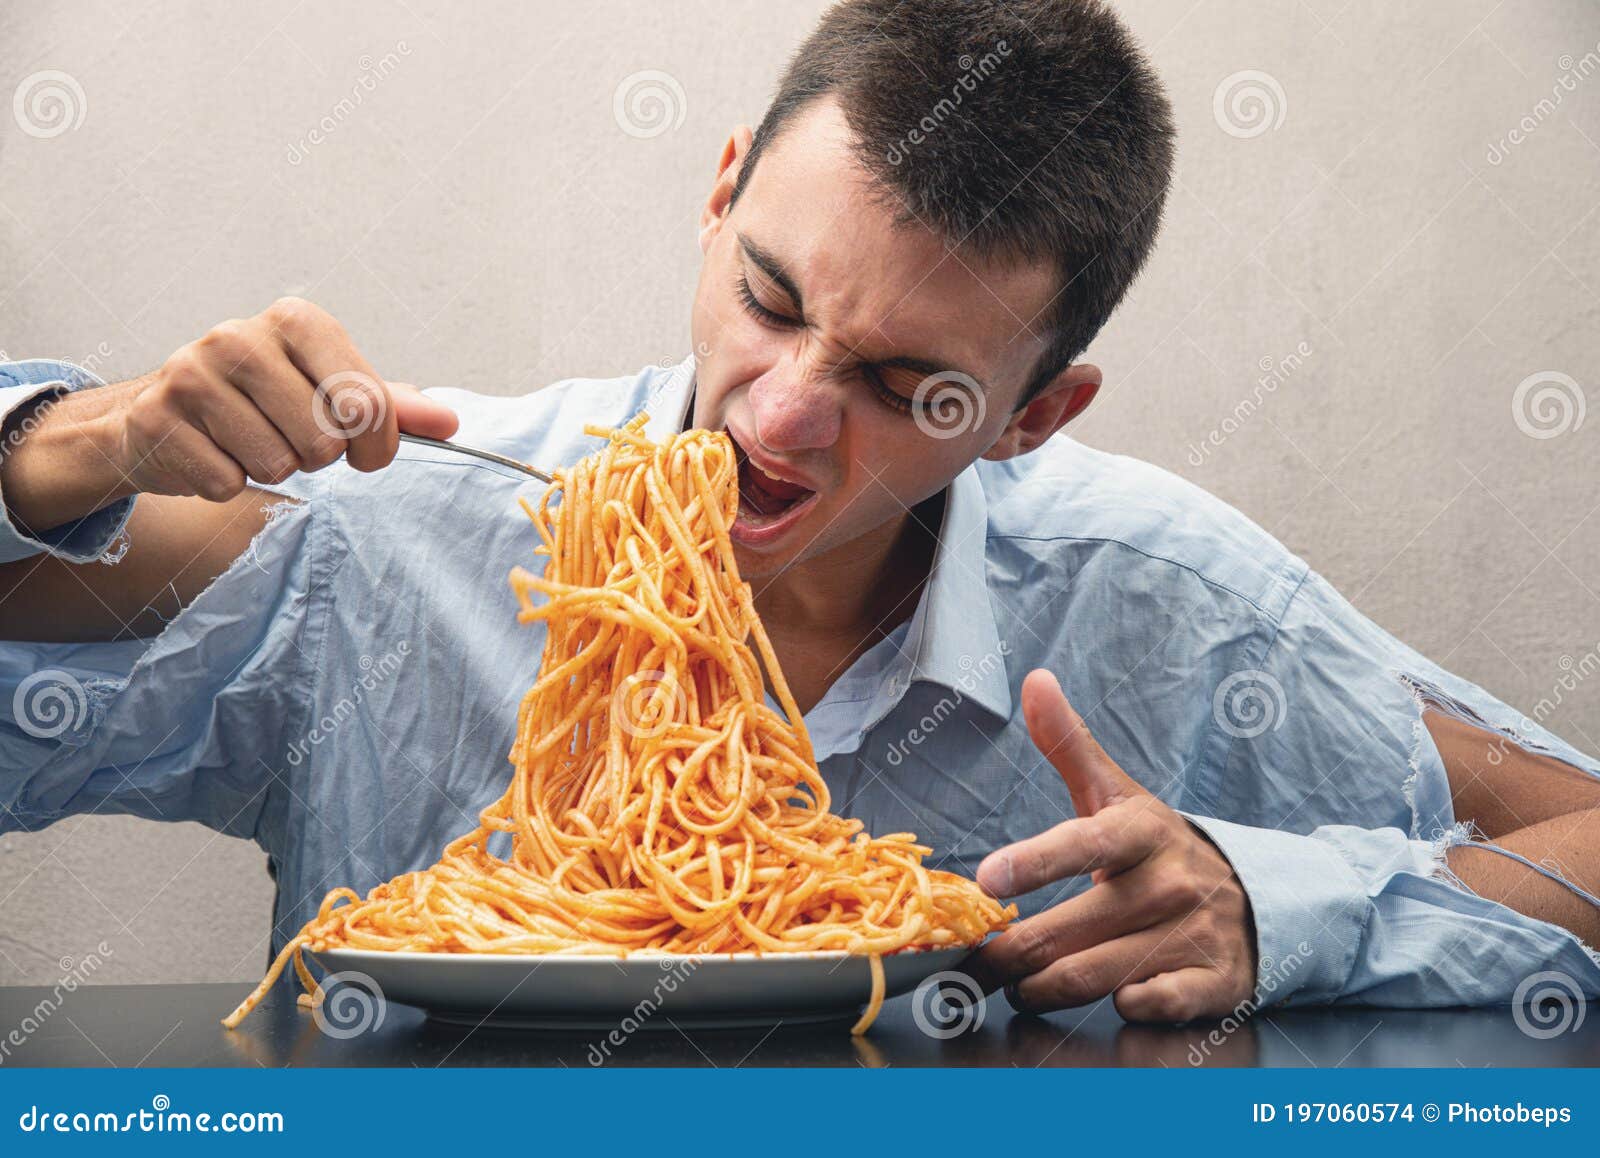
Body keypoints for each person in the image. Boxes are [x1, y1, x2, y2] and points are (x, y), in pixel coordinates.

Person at [2, 0, 1596, 1024]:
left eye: (910, 387)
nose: (776, 419)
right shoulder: (390, 528)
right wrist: (72, 447)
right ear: (717, 199)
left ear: (1033, 417)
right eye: (770, 299)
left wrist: (1280, 904)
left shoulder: (1160, 604)